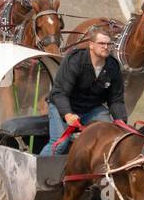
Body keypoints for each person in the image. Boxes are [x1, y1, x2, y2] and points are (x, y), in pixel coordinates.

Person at [40, 26, 127, 156]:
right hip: (63, 107)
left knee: (112, 137)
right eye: (102, 43)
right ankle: (37, 173)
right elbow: (59, 93)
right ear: (91, 45)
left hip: (92, 109)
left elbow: (116, 100)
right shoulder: (74, 60)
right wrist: (68, 114)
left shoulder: (113, 66)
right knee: (59, 144)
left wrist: (121, 122)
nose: (106, 47)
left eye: (109, 44)